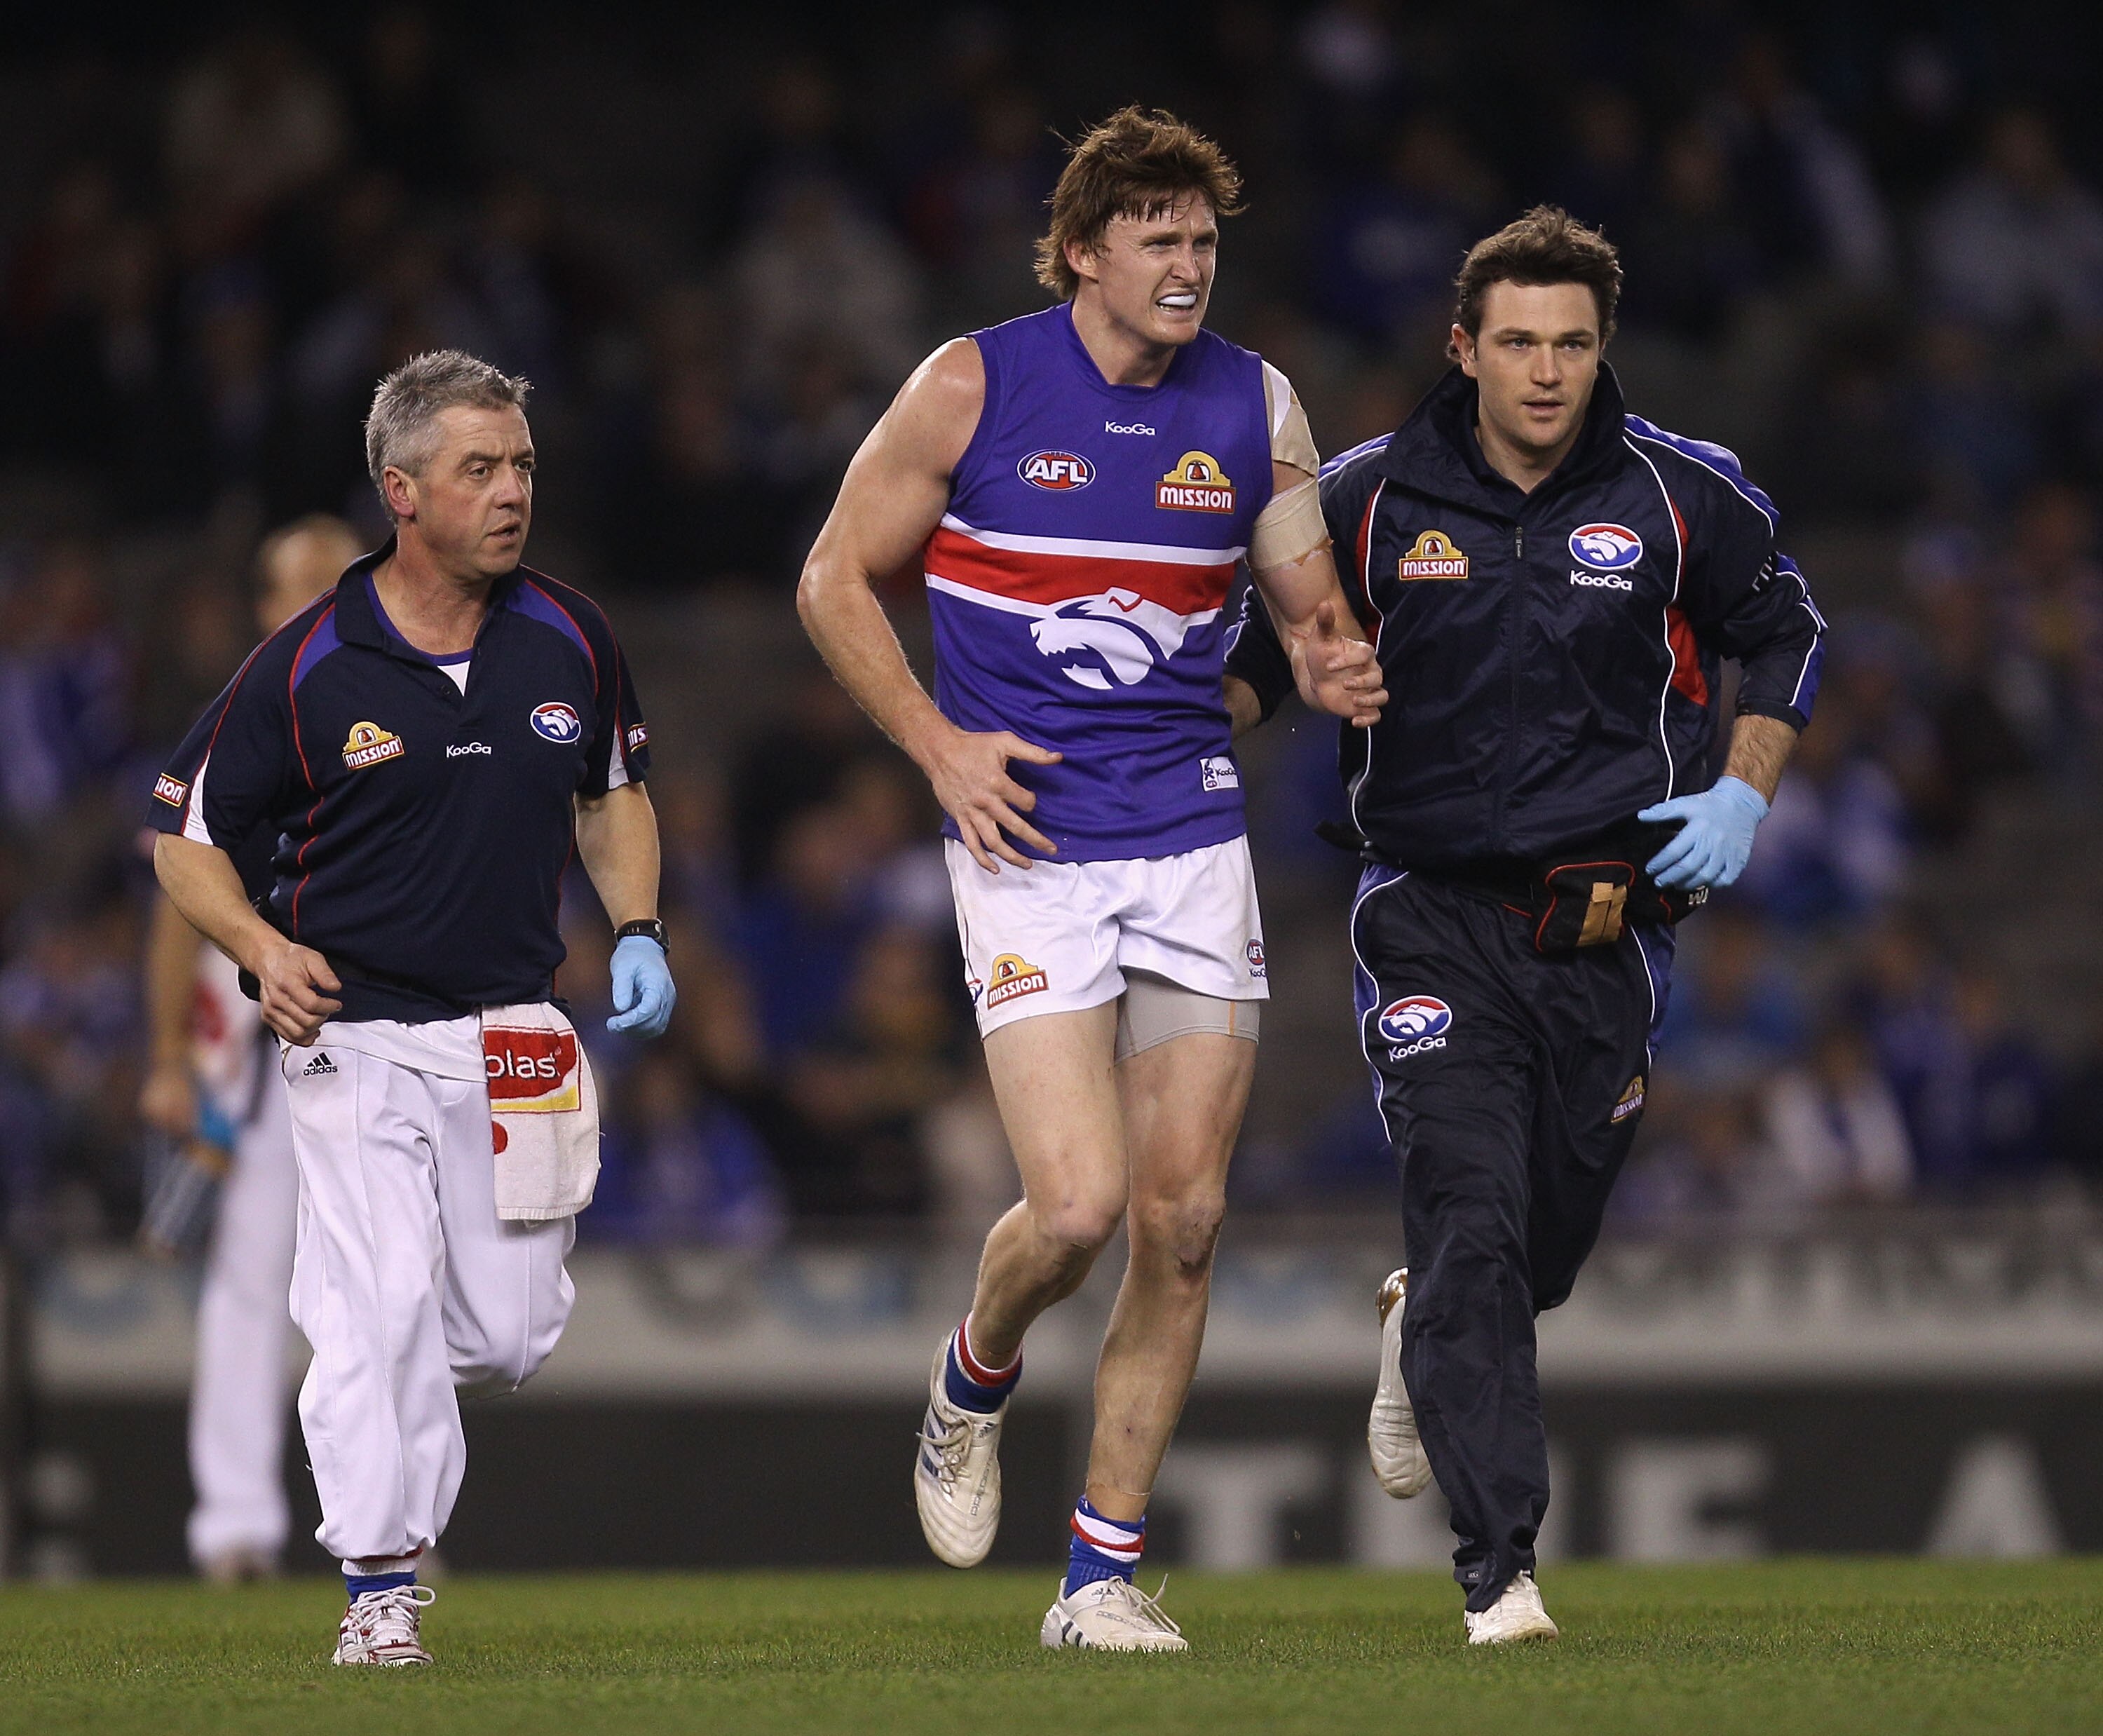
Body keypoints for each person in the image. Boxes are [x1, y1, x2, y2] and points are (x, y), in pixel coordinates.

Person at [798, 107, 1382, 1651]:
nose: (1190, 266)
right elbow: (830, 576)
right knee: (1075, 1207)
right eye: (1159, 240)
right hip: (1029, 842)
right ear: (1082, 253)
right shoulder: (971, 382)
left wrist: (1322, 663)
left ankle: (1098, 1578)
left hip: (1188, 837)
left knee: (1182, 1222)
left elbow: (1304, 605)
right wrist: (936, 747)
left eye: (1205, 240)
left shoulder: (1257, 405)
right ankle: (969, 1377)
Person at [1225, 207, 1825, 1643]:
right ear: (1463, 349)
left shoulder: (1684, 495)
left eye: (1570, 342)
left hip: (1608, 933)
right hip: (1427, 919)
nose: (1545, 371)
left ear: (1600, 347)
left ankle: (1419, 1311)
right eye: (1517, 342)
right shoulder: (1365, 500)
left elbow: (1787, 627)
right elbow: (1258, 658)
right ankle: (1503, 1573)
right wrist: (1224, 719)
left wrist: (1745, 790)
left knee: (1535, 1248)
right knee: (1477, 1222)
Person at [147, 351, 674, 1666]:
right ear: (404, 491)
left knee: (505, 1333)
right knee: (373, 1308)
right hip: (354, 1034)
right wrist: (264, 952)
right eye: (479, 471)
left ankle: (365, 1354)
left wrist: (641, 926)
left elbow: (611, 792)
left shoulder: (572, 635)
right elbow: (186, 841)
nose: (512, 494)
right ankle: (377, 1586)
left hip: (518, 1035)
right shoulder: (307, 662)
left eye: (525, 467)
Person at [137, 513, 360, 1582]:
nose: (322, 601)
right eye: (301, 588)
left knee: (385, 1280)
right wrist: (171, 1063)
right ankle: (234, 1526)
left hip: (377, 1030)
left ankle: (390, 1519)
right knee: (247, 1284)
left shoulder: (398, 696)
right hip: (255, 1052)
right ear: (268, 609)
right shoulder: (238, 720)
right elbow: (174, 907)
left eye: (337, 582)